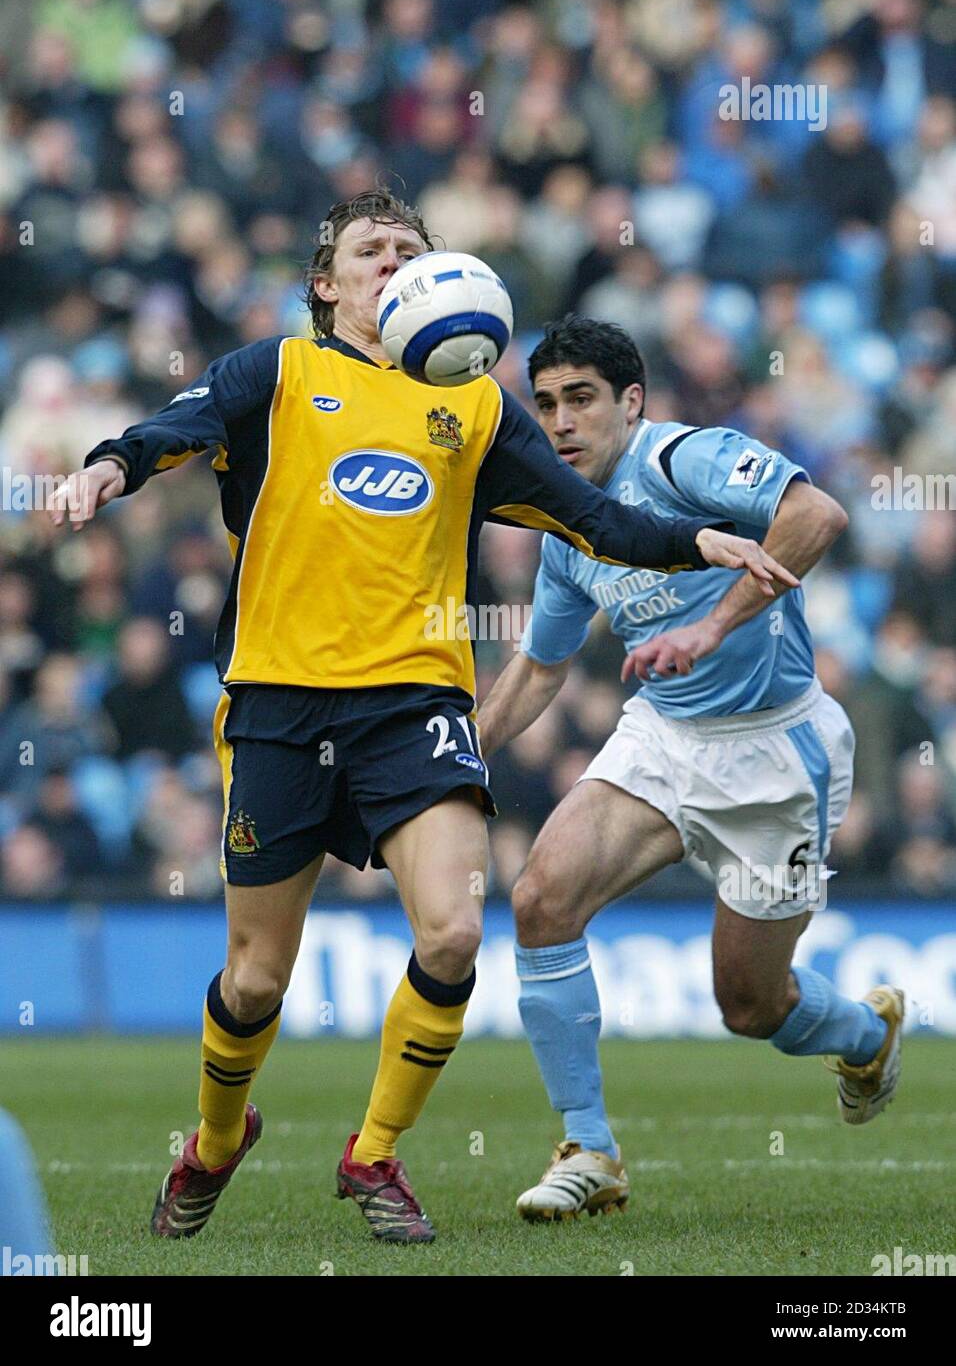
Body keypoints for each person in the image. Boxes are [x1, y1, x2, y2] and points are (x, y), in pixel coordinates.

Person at [49, 189, 793, 1245]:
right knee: (255, 977)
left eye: (409, 250)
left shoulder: (475, 408)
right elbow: (174, 429)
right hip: (276, 698)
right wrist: (107, 469)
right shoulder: (278, 372)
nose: (391, 263)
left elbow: (589, 517)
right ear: (327, 280)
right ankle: (216, 1139)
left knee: (450, 932)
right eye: (370, 250)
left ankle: (375, 1154)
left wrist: (694, 542)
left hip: (416, 700)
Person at [477, 315, 903, 1223]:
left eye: (582, 399)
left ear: (631, 403)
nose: (561, 423)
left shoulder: (686, 462)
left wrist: (713, 626)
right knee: (541, 898)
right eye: (545, 404)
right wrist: (455, 755)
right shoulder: (568, 533)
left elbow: (816, 515)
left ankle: (868, 1034)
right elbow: (543, 668)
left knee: (749, 1007)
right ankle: (590, 1147)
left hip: (774, 753)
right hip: (664, 739)